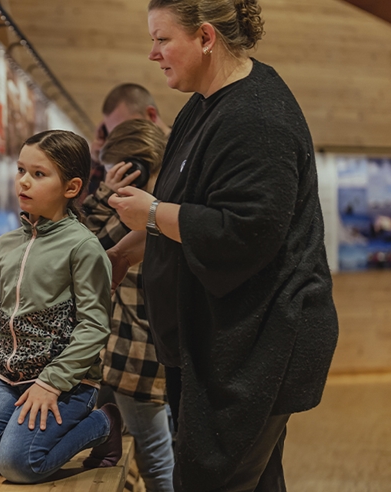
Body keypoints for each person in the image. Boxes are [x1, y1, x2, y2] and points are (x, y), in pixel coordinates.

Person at [106, 1, 338, 490]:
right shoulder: (203, 104)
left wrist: (149, 212)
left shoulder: (258, 116)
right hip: (218, 344)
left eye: (162, 38)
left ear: (206, 38)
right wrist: (127, 250)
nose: (153, 54)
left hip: (257, 347)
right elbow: (183, 209)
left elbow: (245, 231)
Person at [0, 130, 122, 484]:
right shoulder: (5, 245)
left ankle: (104, 423)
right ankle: (17, 430)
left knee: (20, 465)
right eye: (21, 170)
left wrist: (52, 383)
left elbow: (94, 327)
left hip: (66, 383)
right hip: (6, 378)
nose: (23, 181)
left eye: (38, 174)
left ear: (71, 188)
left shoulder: (83, 247)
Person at [80, 119, 174, 492]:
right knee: (158, 452)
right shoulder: (166, 211)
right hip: (146, 356)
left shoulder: (142, 214)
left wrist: (104, 196)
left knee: (156, 460)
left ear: (135, 171)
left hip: (135, 359)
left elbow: (87, 251)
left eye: (111, 169)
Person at [89, 83, 171, 196]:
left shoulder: (185, 149)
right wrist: (97, 162)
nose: (121, 137)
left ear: (151, 115)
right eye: (113, 133)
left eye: (128, 127)